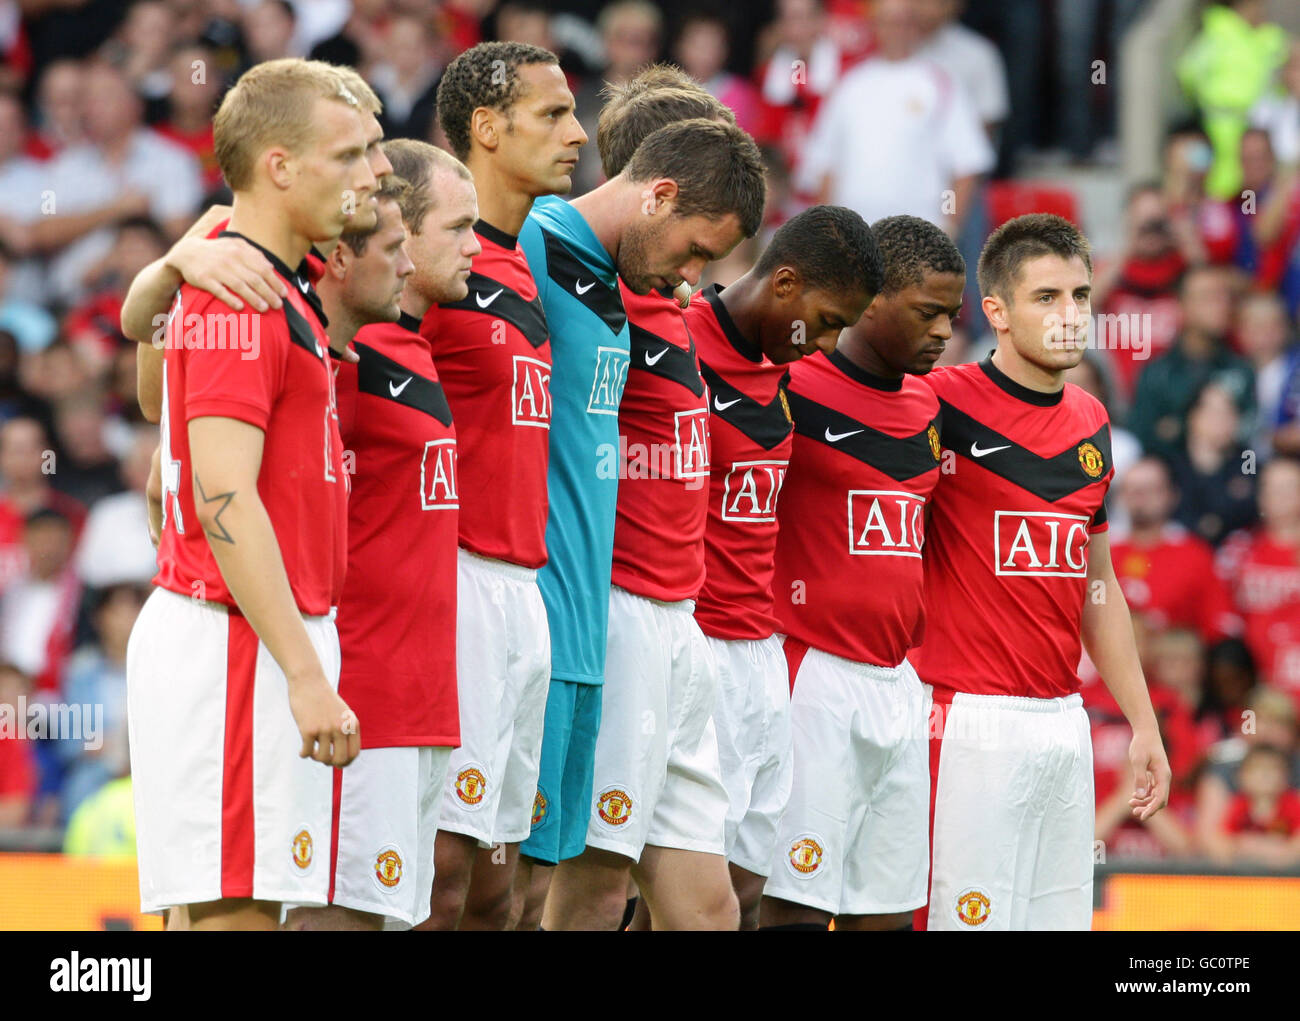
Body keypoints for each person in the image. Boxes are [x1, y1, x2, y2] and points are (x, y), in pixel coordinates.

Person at [125, 58, 376, 931]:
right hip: (234, 639)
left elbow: (155, 393)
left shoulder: (261, 277)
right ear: (279, 165)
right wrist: (306, 677)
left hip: (258, 635)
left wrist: (168, 269)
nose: (367, 177)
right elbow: (226, 496)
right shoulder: (239, 292)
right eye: (347, 156)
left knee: (239, 909)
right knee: (232, 914)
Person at [520, 116, 765, 931]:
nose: (697, 277)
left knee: (711, 909)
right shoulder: (544, 246)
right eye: (695, 250)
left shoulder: (651, 294)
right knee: (587, 883)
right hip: (605, 608)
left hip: (678, 623)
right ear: (657, 191)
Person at [913, 213, 1170, 931]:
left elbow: (1099, 587)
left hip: (1065, 721)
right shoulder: (938, 403)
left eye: (1082, 296)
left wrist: (1143, 722)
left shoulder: (1092, 420)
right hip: (966, 718)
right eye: (1047, 298)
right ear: (994, 310)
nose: (1071, 316)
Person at [285, 155, 478, 931]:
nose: (475, 245)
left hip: (425, 696)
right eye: (454, 229)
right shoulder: (329, 356)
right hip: (360, 694)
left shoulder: (407, 344)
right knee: (338, 917)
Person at [417, 41, 584, 931]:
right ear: (486, 127)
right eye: (553, 114)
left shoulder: (525, 264)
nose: (576, 132)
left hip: (529, 593)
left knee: (501, 886)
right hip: (453, 583)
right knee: (441, 875)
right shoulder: (429, 259)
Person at [683, 205, 885, 929]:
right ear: (786, 283)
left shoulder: (784, 371)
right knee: (680, 890)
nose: (830, 343)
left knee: (741, 892)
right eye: (828, 321)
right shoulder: (678, 343)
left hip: (762, 652)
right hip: (693, 644)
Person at [752, 213, 956, 931]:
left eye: (953, 317)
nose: (943, 332)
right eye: (928, 312)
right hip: (811, 672)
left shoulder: (932, 405)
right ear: (873, 300)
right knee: (793, 907)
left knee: (890, 914)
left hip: (900, 681)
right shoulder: (793, 383)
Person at [795, 0, 993, 237]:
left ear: (915, 26)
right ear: (873, 26)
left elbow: (965, 165)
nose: (895, 30)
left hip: (917, 239)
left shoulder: (941, 82)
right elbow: (825, 164)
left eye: (903, 22)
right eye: (888, 22)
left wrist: (948, 224)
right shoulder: (849, 85)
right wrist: (827, 232)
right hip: (854, 240)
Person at [1110, 455, 1241, 643]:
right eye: (1132, 490)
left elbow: (1218, 625)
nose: (1139, 498)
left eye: (1149, 490)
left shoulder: (1195, 556)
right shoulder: (1100, 551)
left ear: (1171, 495)